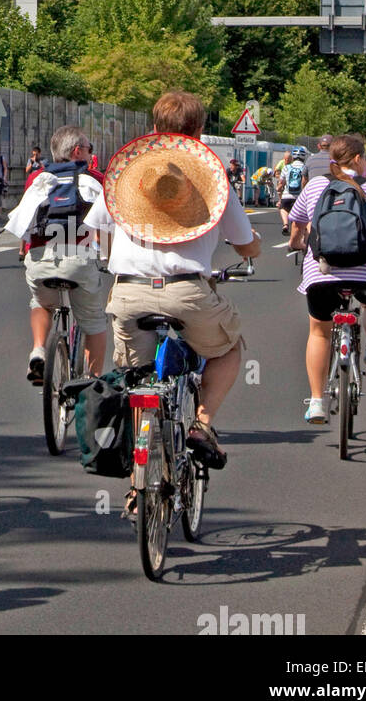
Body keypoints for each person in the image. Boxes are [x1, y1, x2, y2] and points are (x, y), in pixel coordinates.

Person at [83, 90, 261, 468]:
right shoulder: (211, 182)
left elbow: (99, 228)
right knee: (228, 348)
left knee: (138, 382)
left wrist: (116, 253)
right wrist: (252, 248)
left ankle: (137, 490)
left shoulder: (130, 177)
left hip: (129, 292)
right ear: (198, 131)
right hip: (187, 293)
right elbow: (246, 245)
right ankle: (202, 424)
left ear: (153, 128)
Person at [290, 133, 366, 421]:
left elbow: (297, 225)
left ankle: (316, 401)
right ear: (358, 159)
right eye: (365, 158)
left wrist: (297, 244)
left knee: (319, 331)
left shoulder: (316, 185)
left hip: (322, 270)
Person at [6, 124, 110, 385]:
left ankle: (38, 350)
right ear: (77, 151)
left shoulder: (37, 178)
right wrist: (108, 257)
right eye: (89, 149)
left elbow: (25, 221)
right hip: (79, 259)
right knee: (94, 322)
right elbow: (106, 224)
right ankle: (92, 383)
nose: (90, 154)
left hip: (40, 259)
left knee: (41, 303)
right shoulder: (94, 179)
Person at [278, 148, 307, 236]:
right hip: (300, 196)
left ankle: (285, 224)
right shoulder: (305, 167)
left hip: (287, 195)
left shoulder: (287, 167)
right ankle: (300, 233)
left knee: (283, 208)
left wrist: (279, 188)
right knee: (300, 214)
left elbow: (281, 182)